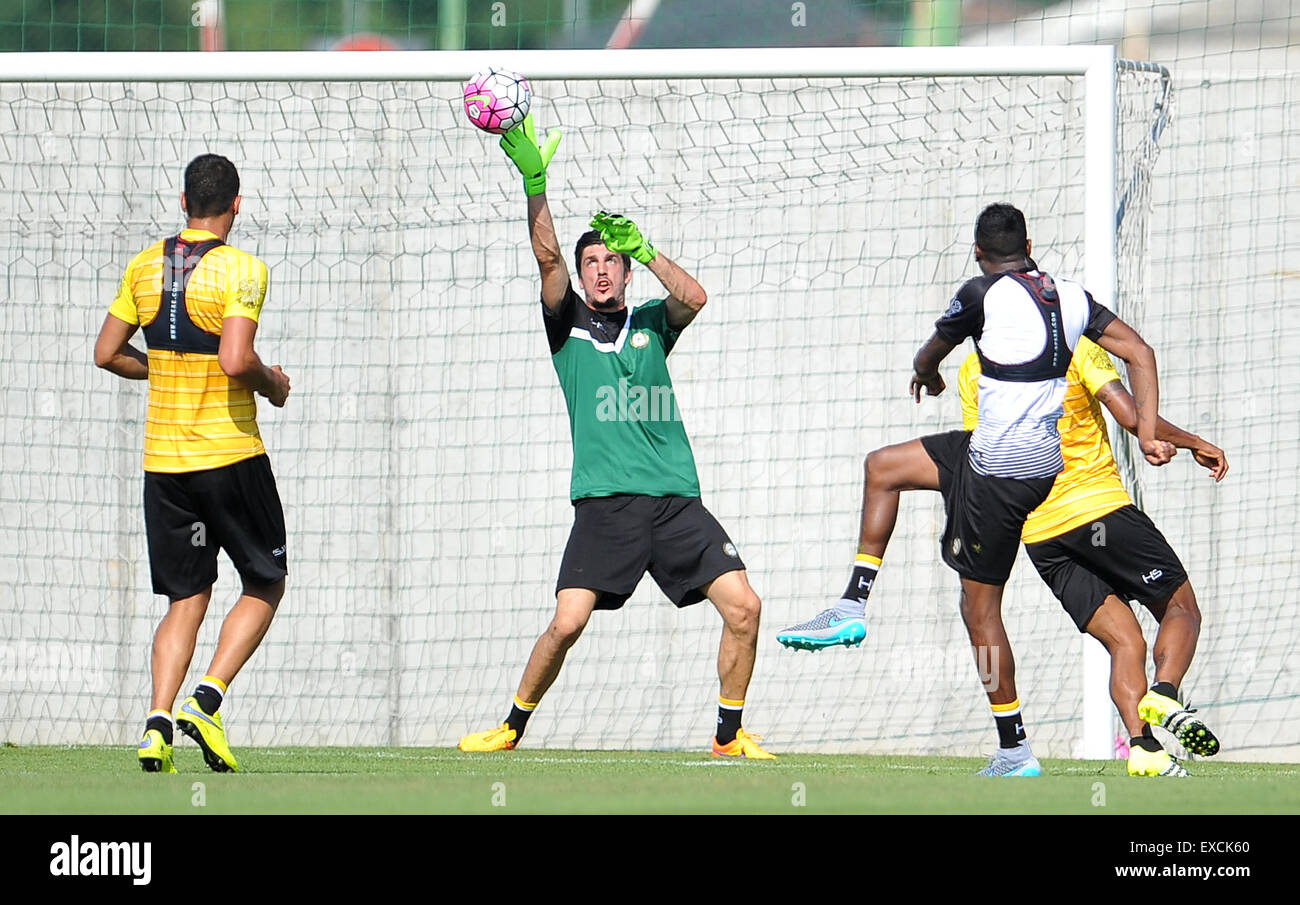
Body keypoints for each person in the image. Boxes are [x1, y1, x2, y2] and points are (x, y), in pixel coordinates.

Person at [778, 202, 1172, 776]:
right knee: (883, 467)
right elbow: (1141, 352)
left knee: (979, 609)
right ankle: (852, 602)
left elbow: (929, 353)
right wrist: (1152, 433)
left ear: (980, 254)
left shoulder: (982, 292)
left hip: (996, 475)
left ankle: (1014, 750)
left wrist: (927, 374)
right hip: (1035, 466)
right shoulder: (1072, 295)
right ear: (1029, 243)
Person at [458, 115, 773, 758]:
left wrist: (648, 246)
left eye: (613, 262)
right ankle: (511, 729)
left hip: (677, 502)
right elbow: (546, 257)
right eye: (591, 263)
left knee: (745, 607)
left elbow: (696, 295)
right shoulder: (566, 321)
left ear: (627, 274)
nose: (602, 271)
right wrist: (535, 185)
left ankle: (727, 737)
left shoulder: (654, 321)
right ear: (580, 275)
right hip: (605, 505)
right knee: (566, 623)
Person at [94, 153, 291, 774]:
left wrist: (168, 367)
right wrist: (273, 382)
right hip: (229, 457)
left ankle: (157, 723)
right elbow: (236, 359)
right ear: (237, 205)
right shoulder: (242, 269)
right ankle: (207, 699)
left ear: (183, 203)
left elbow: (106, 352)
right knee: (265, 580)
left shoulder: (145, 264)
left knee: (186, 597)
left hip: (165, 465)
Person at [958, 340, 1226, 777]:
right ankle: (1164, 693)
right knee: (1180, 608)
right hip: (1098, 512)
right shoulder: (1072, 346)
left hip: (1041, 535)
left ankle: (1145, 749)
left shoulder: (973, 370)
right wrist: (1193, 441)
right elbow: (1130, 415)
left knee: (1125, 642)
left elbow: (983, 455)